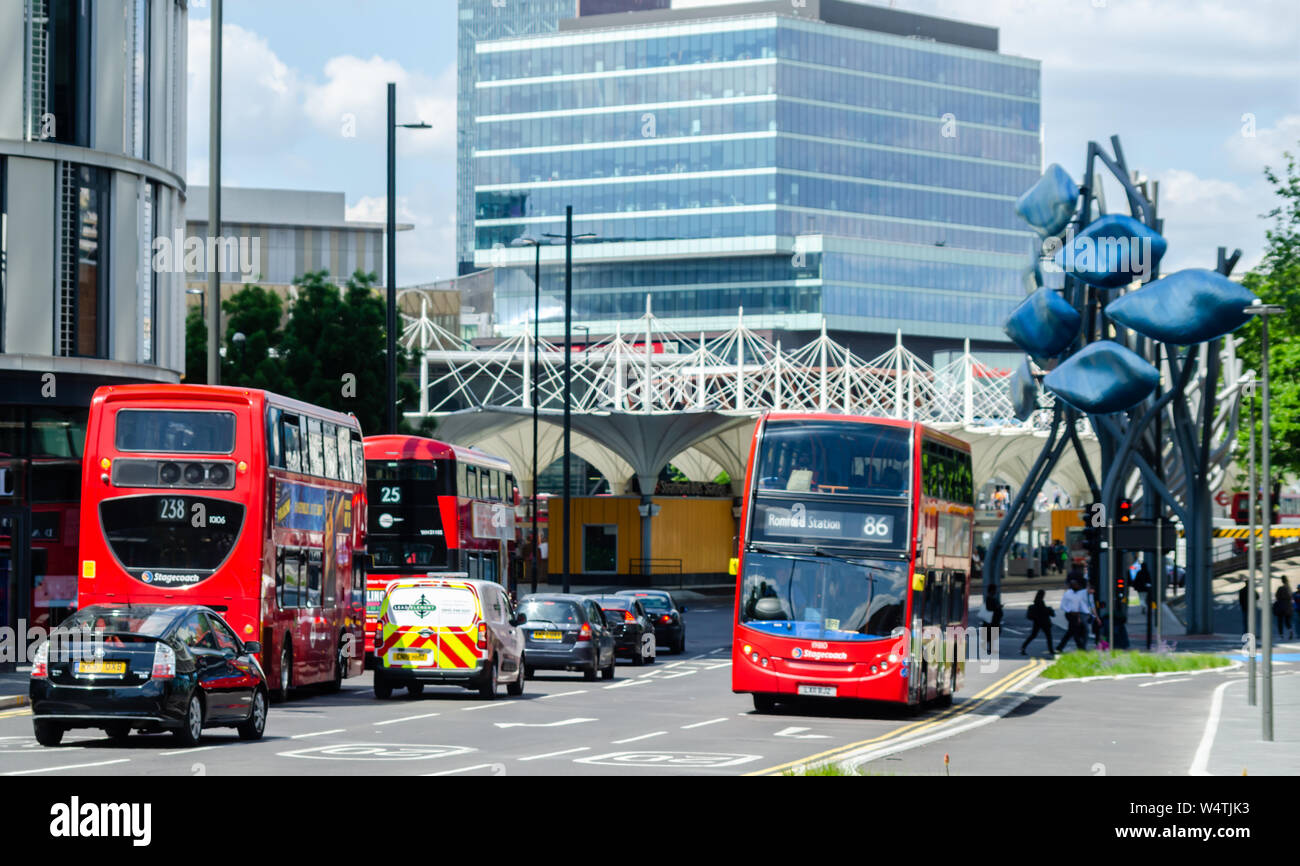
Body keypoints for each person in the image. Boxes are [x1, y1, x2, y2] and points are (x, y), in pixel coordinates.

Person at [1056, 577, 1093, 652]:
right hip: (1071, 614)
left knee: (1072, 631)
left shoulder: (1081, 593)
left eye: (1076, 584)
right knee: (1076, 631)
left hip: (1080, 614)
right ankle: (1081, 648)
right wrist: (1070, 611)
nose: (1076, 586)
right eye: (1074, 585)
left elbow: (1084, 604)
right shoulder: (1068, 594)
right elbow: (1063, 605)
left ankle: (1060, 647)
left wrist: (1087, 612)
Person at [1021, 589, 1055, 657]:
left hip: (1037, 622)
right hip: (1043, 622)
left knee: (1033, 635)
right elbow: (1043, 610)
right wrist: (1049, 609)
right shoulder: (1040, 601)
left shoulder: (1036, 601)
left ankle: (1023, 647)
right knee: (1048, 636)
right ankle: (1051, 650)